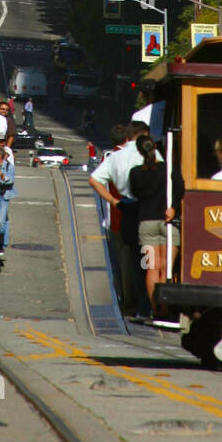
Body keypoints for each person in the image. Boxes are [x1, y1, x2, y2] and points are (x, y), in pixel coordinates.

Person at [89, 125, 154, 317]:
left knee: (129, 262)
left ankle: (130, 301)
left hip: (120, 217)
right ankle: (141, 302)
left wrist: (113, 202)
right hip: (146, 214)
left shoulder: (115, 157)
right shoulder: (149, 156)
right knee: (144, 262)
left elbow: (94, 180)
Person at [129, 140, 185, 322]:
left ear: (139, 151)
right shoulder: (169, 170)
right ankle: (166, 308)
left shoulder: (136, 173)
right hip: (168, 222)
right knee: (167, 267)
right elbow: (180, 187)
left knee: (152, 268)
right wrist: (173, 208)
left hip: (146, 223)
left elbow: (135, 193)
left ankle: (155, 310)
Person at [0, 144, 16, 247]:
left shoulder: (8, 166)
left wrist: (1, 175)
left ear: (0, 155)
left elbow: (10, 181)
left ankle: (0, 242)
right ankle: (1, 241)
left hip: (4, 195)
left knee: (1, 220)